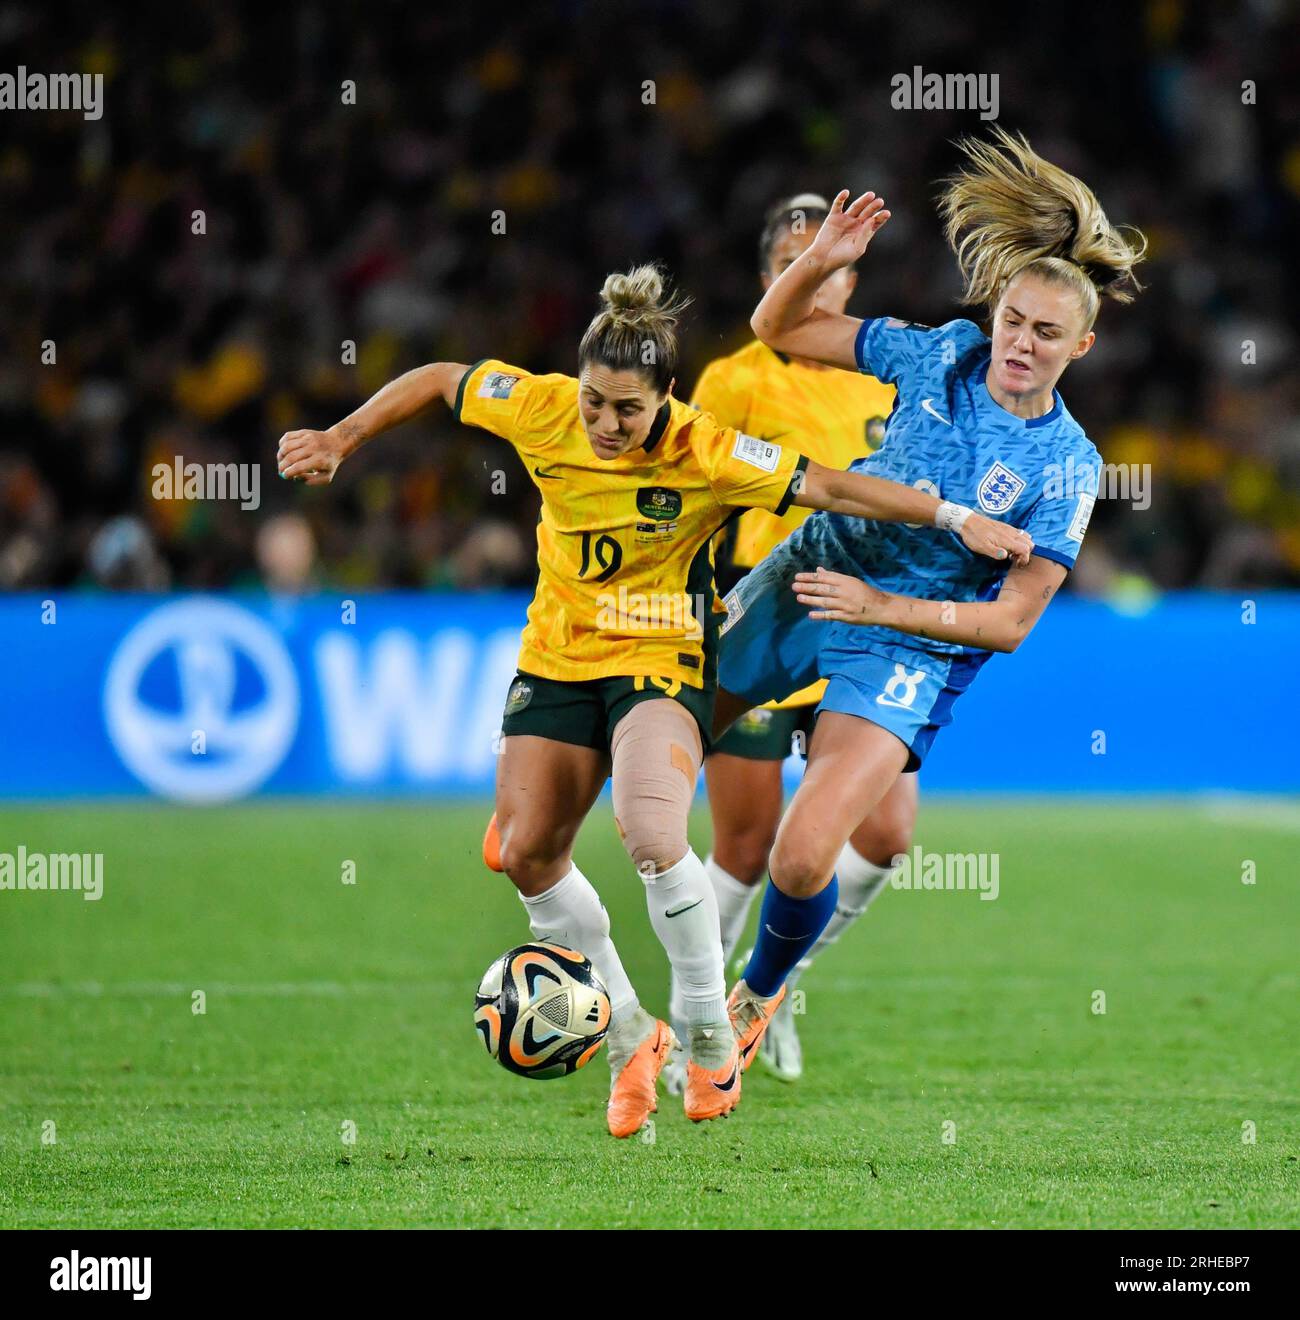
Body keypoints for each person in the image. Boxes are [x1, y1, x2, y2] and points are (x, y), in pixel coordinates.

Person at [278, 264, 1030, 1137]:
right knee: (525, 852)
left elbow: (829, 483)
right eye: (596, 403)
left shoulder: (709, 448)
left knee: (650, 828)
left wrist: (949, 518)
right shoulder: (543, 407)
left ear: (666, 397)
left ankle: (710, 1035)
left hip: (662, 660)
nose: (604, 424)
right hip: (557, 658)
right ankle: (630, 1032)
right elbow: (443, 380)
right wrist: (342, 435)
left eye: (627, 410)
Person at [714, 129, 1147, 1074]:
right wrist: (820, 263)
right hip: (815, 568)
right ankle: (590, 931)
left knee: (800, 856)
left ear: (1083, 344)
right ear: (993, 312)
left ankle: (752, 997)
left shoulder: (1068, 469)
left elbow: (1007, 624)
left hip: (907, 643)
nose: (1018, 345)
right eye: (1012, 321)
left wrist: (879, 608)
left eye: (1044, 333)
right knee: (659, 721)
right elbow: (777, 331)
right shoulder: (940, 354)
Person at [663, 193, 914, 1094]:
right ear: (775, 279)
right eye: (796, 265)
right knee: (745, 842)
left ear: (852, 279)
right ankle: (695, 1016)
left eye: (834, 266)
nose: (817, 279)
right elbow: (693, 492)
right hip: (767, 623)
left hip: (867, 628)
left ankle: (771, 987)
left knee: (886, 836)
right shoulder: (735, 379)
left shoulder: (884, 375)